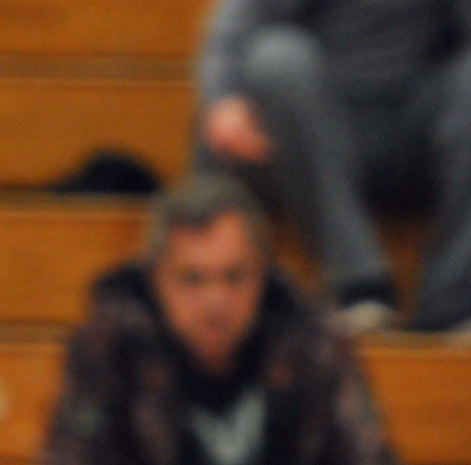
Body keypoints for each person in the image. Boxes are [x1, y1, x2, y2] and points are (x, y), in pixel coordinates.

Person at [195, 0, 471, 333]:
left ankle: (451, 305)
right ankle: (360, 285)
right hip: (306, 121)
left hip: (405, 125)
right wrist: (223, 98)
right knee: (279, 57)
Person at [42, 174, 395, 465]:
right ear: (155, 279)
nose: (215, 302)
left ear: (262, 274)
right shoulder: (111, 351)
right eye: (192, 279)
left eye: (234, 276)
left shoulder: (315, 347)